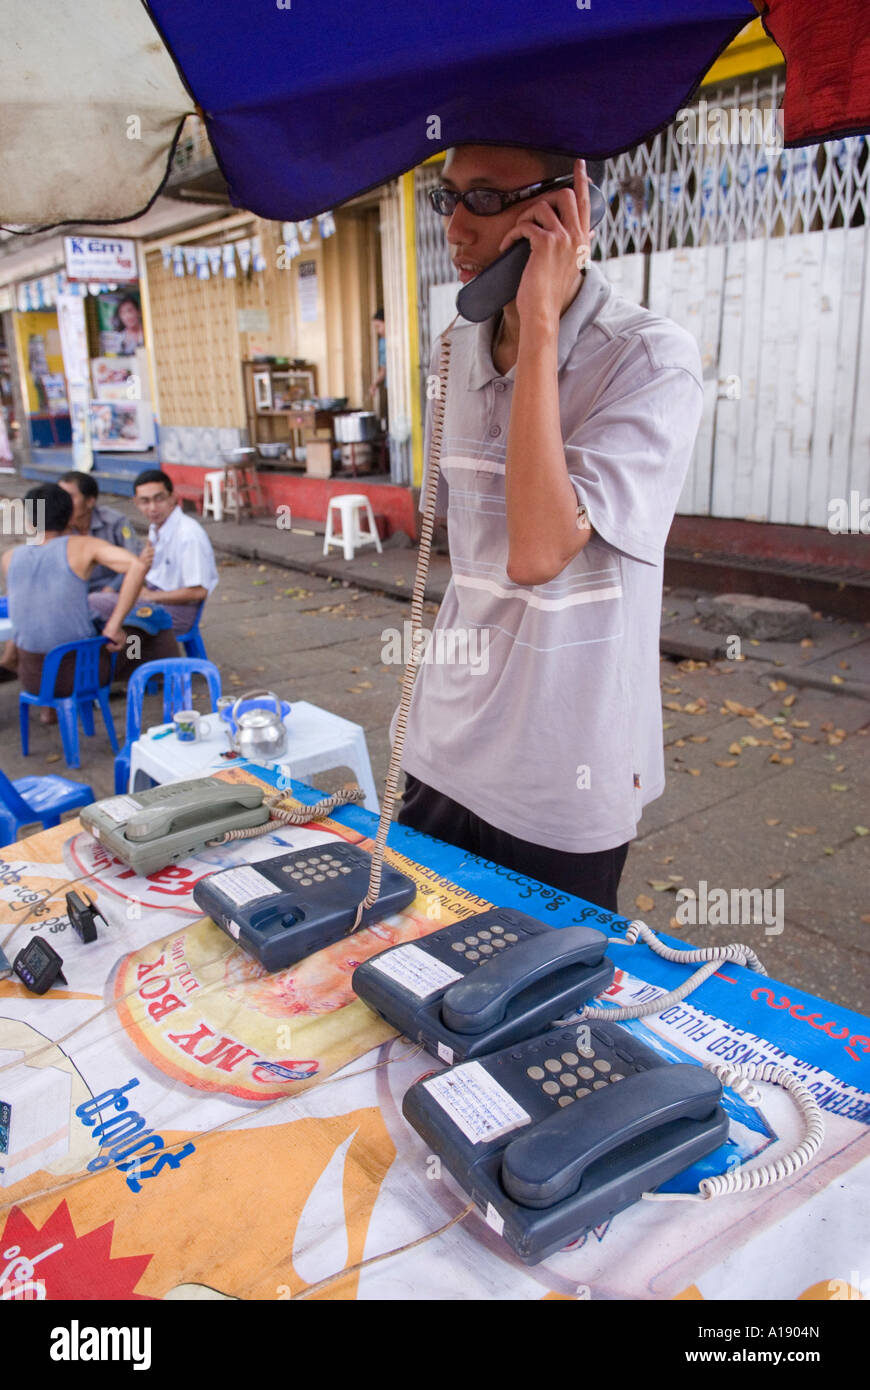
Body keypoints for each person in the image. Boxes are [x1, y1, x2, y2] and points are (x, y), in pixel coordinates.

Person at [395, 146, 705, 915]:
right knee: (407, 978)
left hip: (562, 771)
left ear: (565, 211)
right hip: (444, 746)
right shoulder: (457, 345)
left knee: (525, 1012)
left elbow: (538, 551)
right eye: (449, 200)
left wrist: (538, 326)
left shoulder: (649, 361)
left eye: (486, 200)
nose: (457, 231)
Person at [1, 483, 149, 700]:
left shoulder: (9, 557)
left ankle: (48, 711)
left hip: (32, 680)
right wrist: (114, 626)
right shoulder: (84, 546)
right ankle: (132, 687)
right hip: (82, 676)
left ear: (31, 523)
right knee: (138, 636)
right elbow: (137, 566)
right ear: (71, 517)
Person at [89, 468, 217, 637]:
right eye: (145, 501)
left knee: (94, 603)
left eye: (159, 499)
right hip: (153, 597)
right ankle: (113, 657)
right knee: (92, 609)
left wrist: (150, 596)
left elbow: (198, 592)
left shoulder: (188, 534)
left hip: (175, 611)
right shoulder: (156, 528)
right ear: (136, 502)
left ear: (173, 498)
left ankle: (127, 657)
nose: (153, 508)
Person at [59, 470, 140, 592]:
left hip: (114, 591)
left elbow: (136, 559)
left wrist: (111, 588)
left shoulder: (115, 521)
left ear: (90, 501)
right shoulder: (55, 524)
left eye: (69, 497)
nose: (62, 503)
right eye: (60, 496)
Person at [369, 307, 387, 419]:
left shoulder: (399, 339)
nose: (378, 331)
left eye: (379, 326)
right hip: (389, 387)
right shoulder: (382, 342)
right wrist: (374, 383)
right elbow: (383, 369)